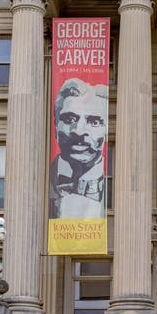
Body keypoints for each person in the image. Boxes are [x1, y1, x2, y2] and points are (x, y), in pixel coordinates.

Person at [49, 77, 108, 219]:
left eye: (94, 122)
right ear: (56, 125)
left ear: (106, 131)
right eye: (69, 120)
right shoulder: (45, 179)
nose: (79, 131)